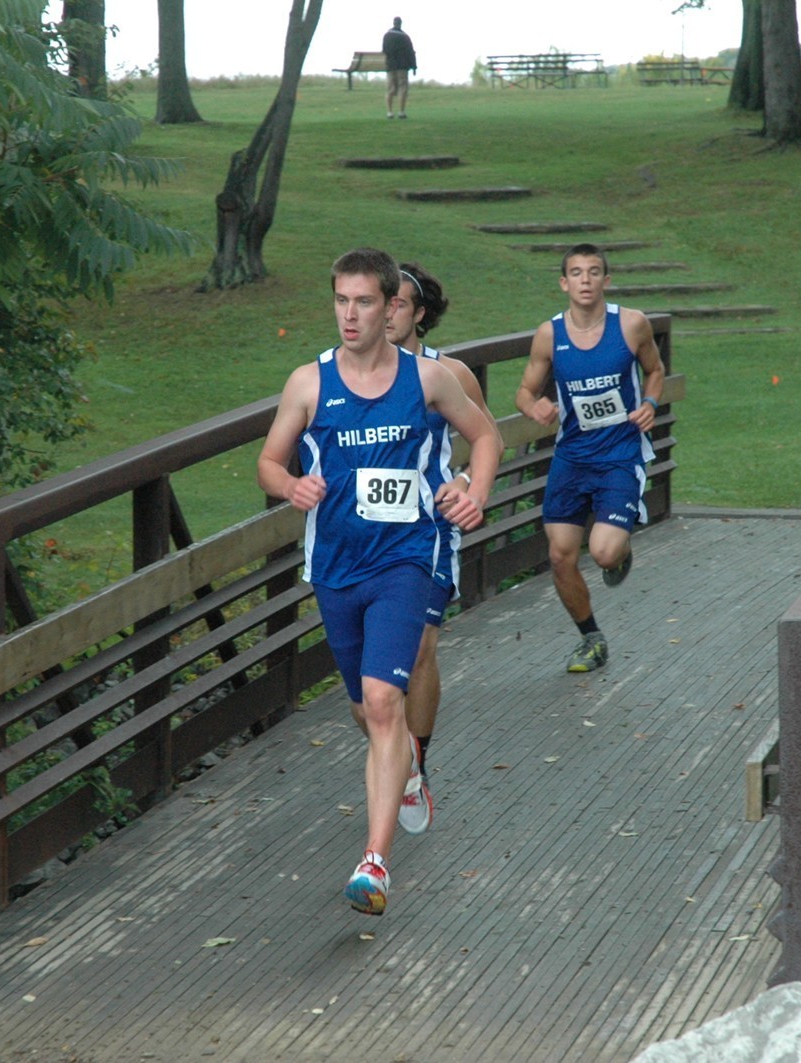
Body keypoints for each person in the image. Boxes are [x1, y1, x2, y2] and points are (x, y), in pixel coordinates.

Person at [257, 248, 499, 917]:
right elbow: (268, 462)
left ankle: (373, 861)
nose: (352, 314)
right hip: (336, 566)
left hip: (406, 558)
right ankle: (408, 773)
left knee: (384, 700)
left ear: (393, 305)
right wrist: (291, 484)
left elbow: (486, 437)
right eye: (342, 301)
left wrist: (474, 492)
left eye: (365, 301)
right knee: (366, 712)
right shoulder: (308, 383)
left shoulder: (429, 379)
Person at [383, 262, 501, 836]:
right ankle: (396, 757)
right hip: (368, 540)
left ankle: (416, 765)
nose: (385, 315)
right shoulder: (348, 374)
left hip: (430, 528)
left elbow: (489, 437)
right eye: (378, 302)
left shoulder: (446, 374)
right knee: (371, 692)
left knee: (422, 646)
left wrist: (469, 488)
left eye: (398, 304)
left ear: (419, 312)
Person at [513, 243, 665, 675]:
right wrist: (533, 408)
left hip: (620, 453)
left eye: (593, 272)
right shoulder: (550, 334)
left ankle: (619, 549)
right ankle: (590, 637)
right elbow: (524, 391)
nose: (585, 280)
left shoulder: (631, 324)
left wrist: (651, 401)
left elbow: (655, 370)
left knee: (601, 553)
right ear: (564, 283)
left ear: (606, 280)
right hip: (572, 456)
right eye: (576, 273)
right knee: (561, 555)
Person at [382, 16, 416, 119]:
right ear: (401, 24)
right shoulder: (405, 37)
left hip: (391, 66)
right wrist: (414, 67)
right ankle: (401, 111)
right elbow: (411, 52)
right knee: (403, 88)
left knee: (390, 89)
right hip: (402, 66)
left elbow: (384, 50)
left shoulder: (387, 35)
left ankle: (389, 112)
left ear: (393, 23)